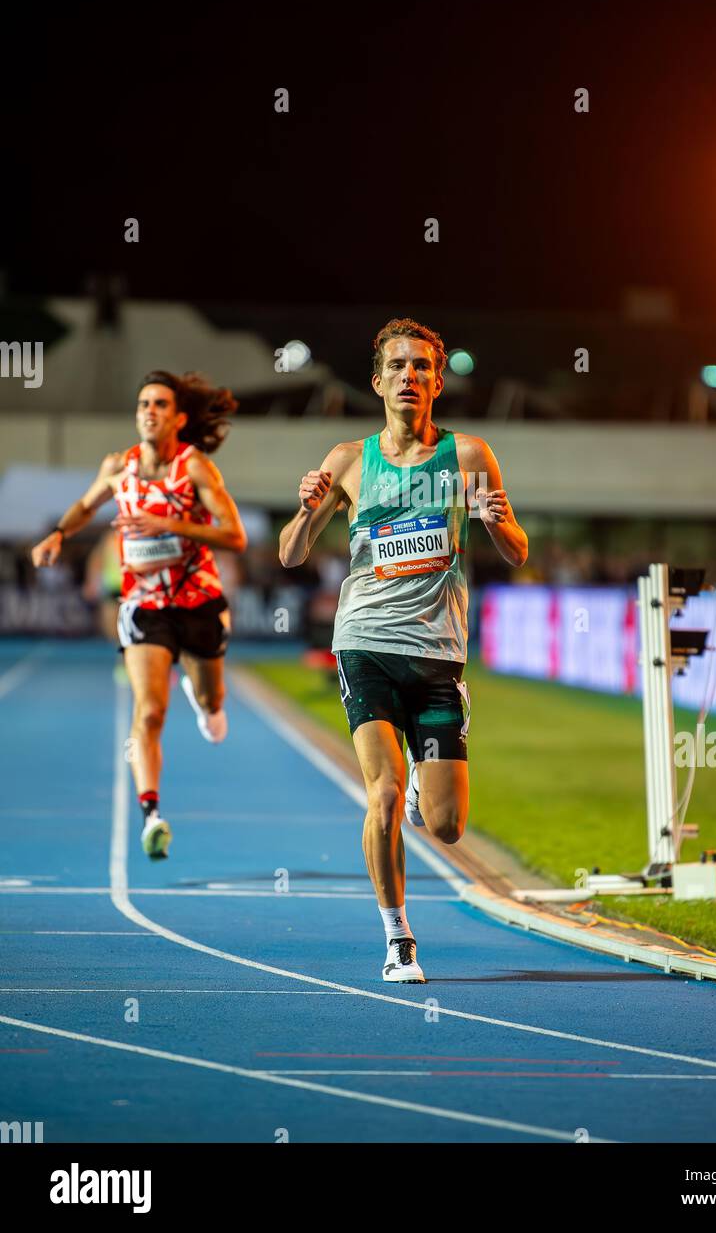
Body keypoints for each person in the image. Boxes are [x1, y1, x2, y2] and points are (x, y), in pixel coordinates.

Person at [279, 319, 528, 981]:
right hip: (364, 643)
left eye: (422, 367)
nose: (410, 376)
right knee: (382, 793)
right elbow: (291, 553)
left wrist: (497, 520)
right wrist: (306, 511)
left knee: (445, 826)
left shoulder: (470, 455)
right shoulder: (349, 461)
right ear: (378, 381)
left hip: (439, 653)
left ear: (438, 382)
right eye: (398, 366)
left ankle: (429, 778)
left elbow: (517, 550)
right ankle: (397, 939)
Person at [31, 371, 247, 859]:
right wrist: (59, 536)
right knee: (149, 711)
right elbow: (85, 507)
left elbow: (235, 537)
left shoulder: (196, 470)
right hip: (145, 605)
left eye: (161, 404)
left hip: (198, 601)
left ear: (179, 418)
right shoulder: (118, 466)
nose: (149, 411)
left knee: (213, 703)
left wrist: (168, 523)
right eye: (144, 403)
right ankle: (152, 813)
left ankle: (204, 698)